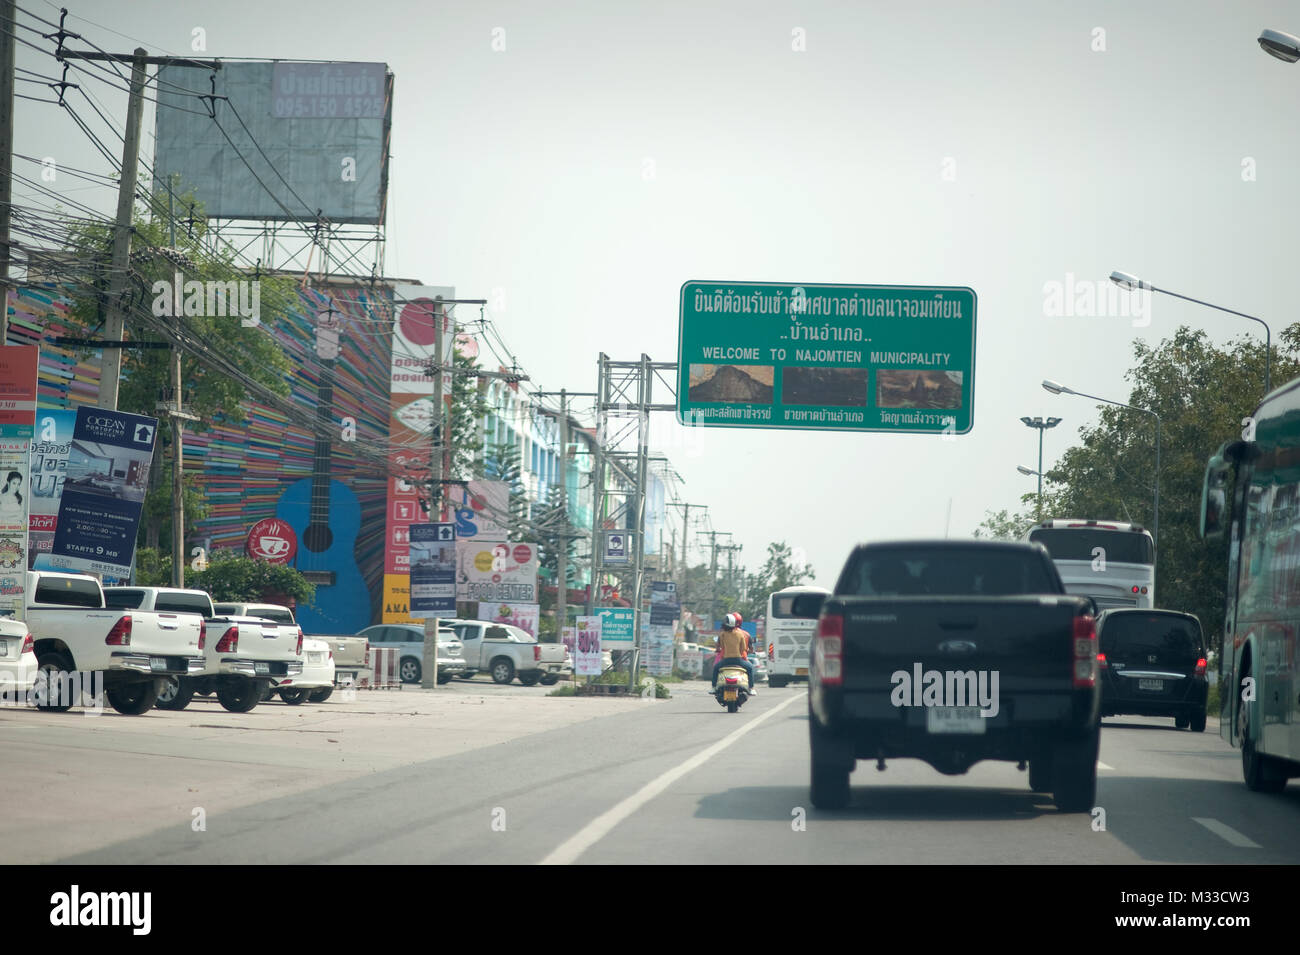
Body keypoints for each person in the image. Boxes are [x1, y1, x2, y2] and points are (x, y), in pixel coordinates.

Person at [711, 612, 755, 692]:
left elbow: (720, 646)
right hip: (738, 660)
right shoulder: (741, 634)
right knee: (750, 668)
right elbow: (743, 648)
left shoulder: (722, 634)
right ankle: (751, 688)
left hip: (726, 660)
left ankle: (713, 687)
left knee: (716, 668)